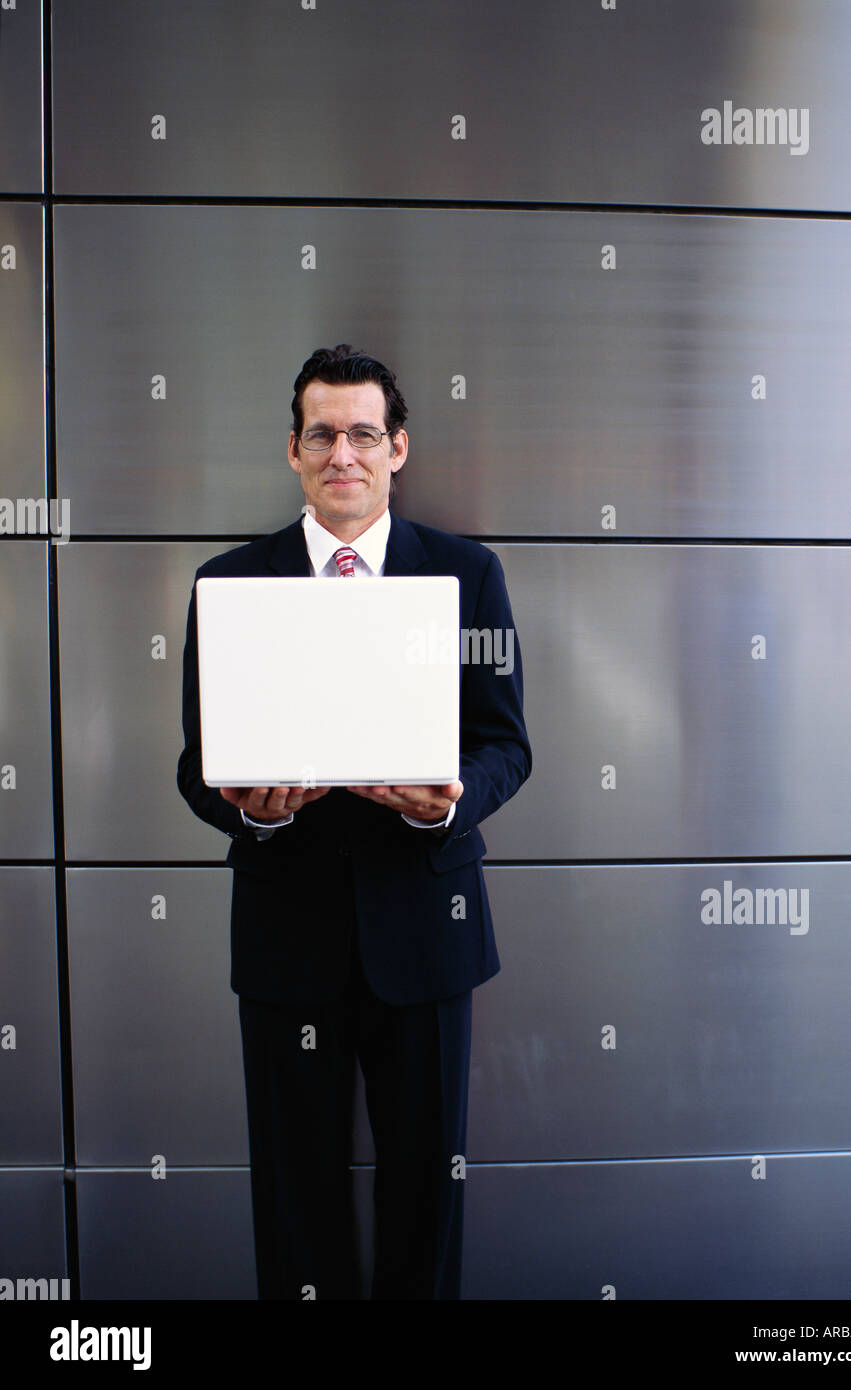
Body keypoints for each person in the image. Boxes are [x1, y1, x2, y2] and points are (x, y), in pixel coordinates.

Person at [177, 344, 531, 1300]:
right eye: (322, 434)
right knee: (296, 1201)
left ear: (397, 448)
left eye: (363, 433)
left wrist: (448, 798)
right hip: (288, 938)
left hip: (427, 930)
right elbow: (194, 764)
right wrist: (250, 813)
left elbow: (507, 746)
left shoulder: (466, 575)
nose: (344, 452)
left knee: (427, 1196)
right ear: (293, 450)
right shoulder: (230, 583)